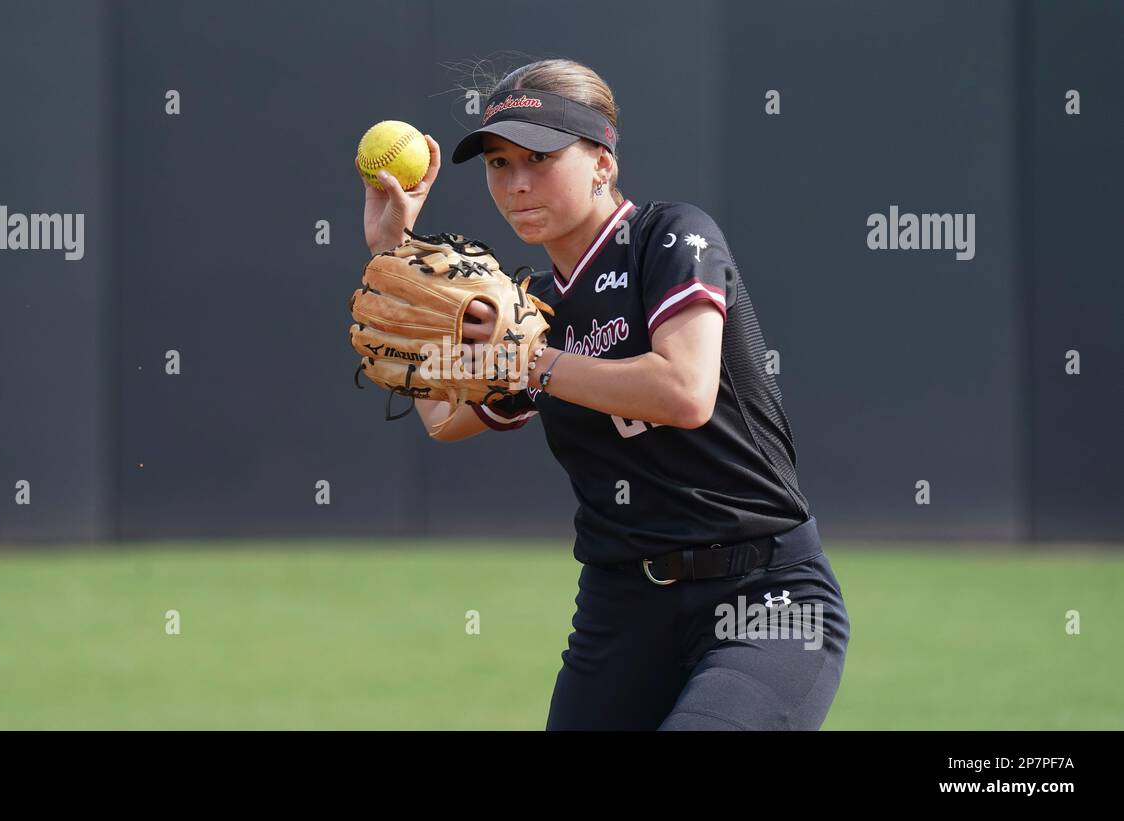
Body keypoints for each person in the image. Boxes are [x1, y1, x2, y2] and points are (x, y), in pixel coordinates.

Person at [357, 58, 850, 730]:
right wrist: (395, 256)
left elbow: (684, 391)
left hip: (763, 592)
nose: (517, 182)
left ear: (602, 162)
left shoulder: (672, 237)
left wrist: (528, 361)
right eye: (499, 163)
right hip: (622, 613)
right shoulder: (530, 309)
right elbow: (444, 418)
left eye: (539, 156)